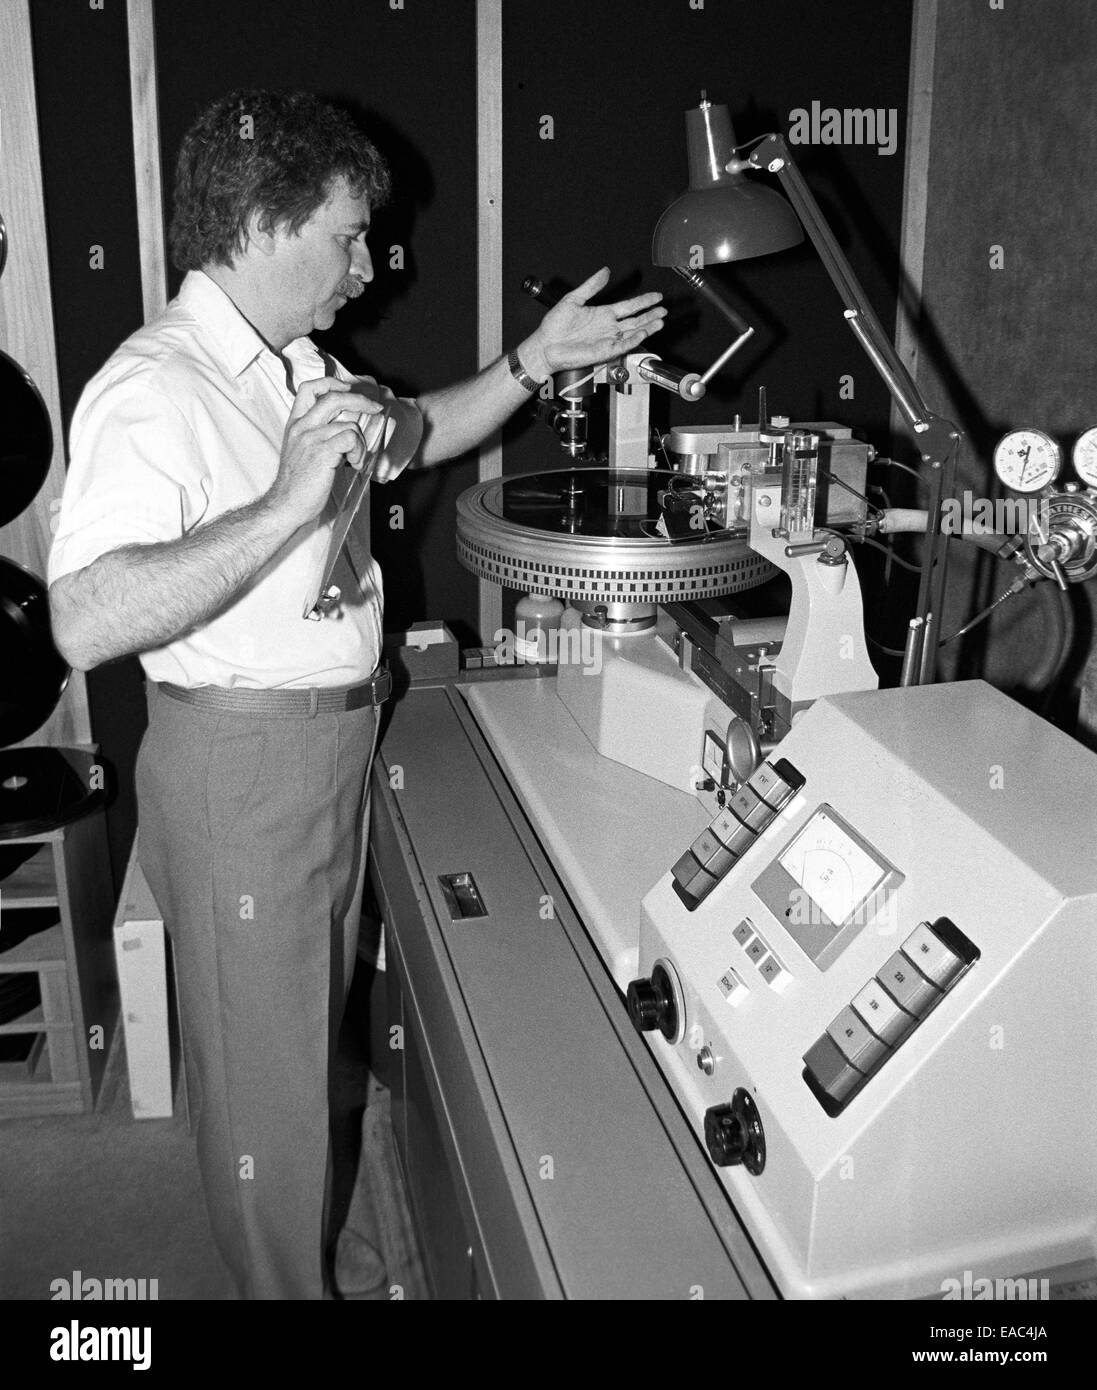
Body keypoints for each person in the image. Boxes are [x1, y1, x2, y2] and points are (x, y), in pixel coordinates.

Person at [47, 89, 665, 1300]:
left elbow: (417, 433)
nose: (372, 264)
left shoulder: (291, 363)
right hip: (244, 770)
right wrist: (282, 503)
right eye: (346, 235)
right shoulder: (154, 388)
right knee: (264, 1102)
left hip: (326, 749)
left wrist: (533, 364)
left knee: (303, 1052)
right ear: (267, 226)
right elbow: (87, 616)